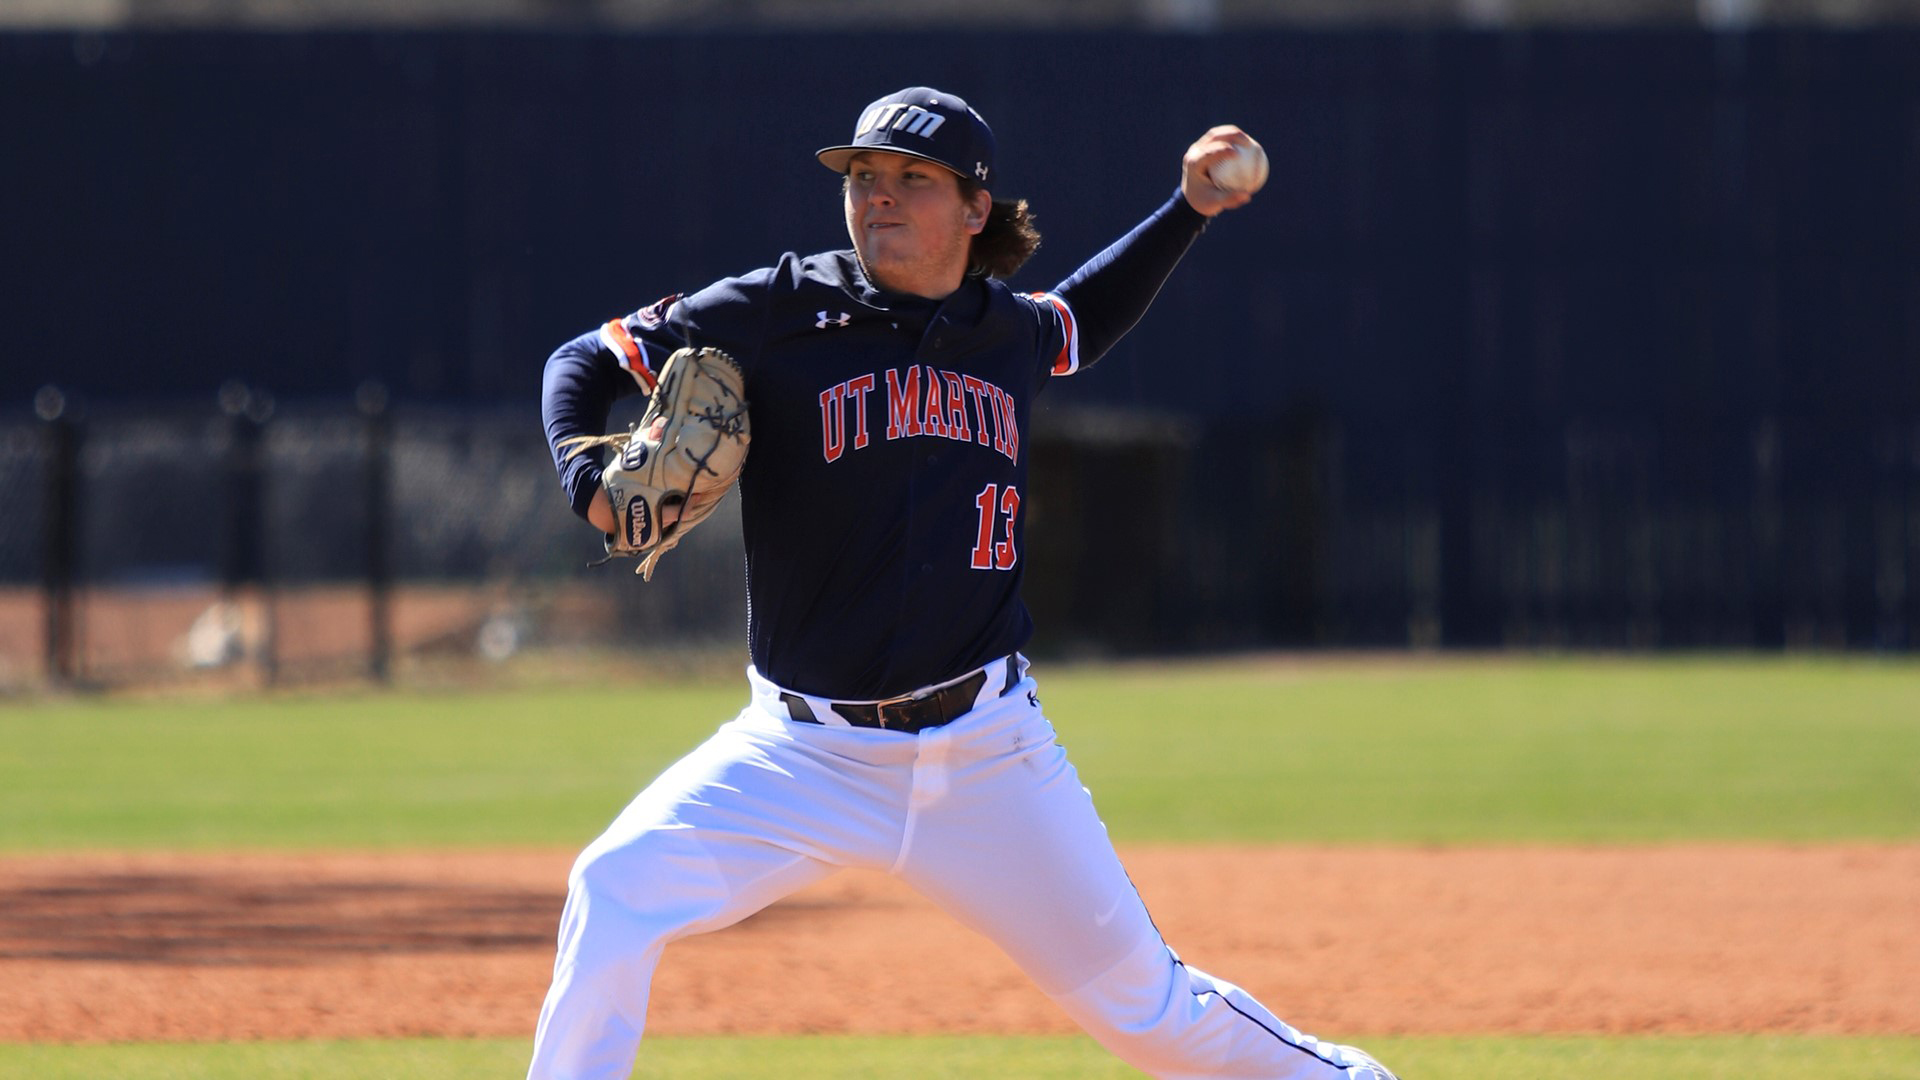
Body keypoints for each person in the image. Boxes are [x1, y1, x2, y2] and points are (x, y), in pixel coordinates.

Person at [533, 87, 1399, 1080]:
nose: (878, 197)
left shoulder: (1008, 333)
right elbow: (585, 360)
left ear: (975, 209)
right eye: (862, 177)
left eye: (910, 179)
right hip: (799, 756)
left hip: (986, 751)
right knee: (613, 890)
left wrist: (1189, 208)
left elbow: (1086, 314)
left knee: (1147, 1012)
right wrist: (588, 482)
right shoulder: (774, 309)